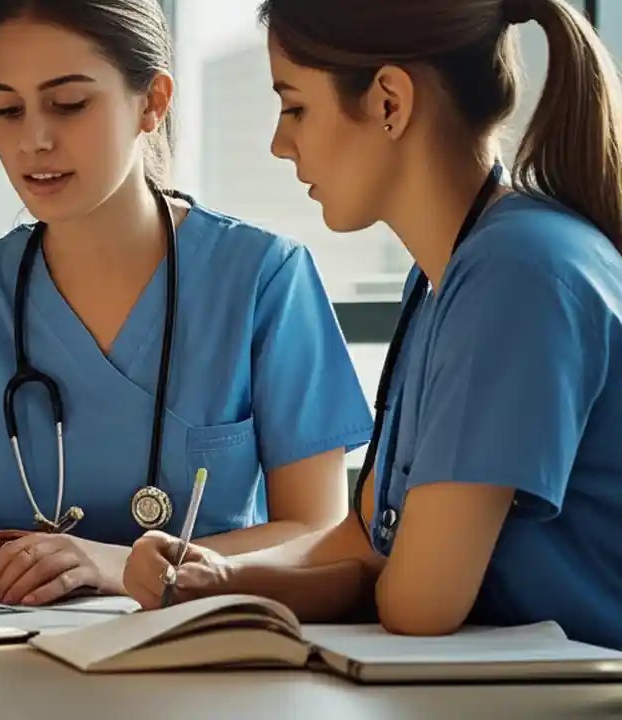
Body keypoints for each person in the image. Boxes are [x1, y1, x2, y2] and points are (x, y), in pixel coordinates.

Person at [124, 0, 622, 650]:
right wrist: (217, 577)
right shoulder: (448, 273)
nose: (279, 142)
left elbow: (420, 601)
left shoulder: (518, 272)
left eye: (295, 106)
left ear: (389, 101)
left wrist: (253, 588)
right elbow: (368, 540)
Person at [0, 0, 373, 609]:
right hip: (21, 661)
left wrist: (117, 565)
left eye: (69, 104)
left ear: (152, 102)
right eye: (7, 109)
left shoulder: (261, 278)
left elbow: (318, 532)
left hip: (212, 649)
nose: (34, 140)